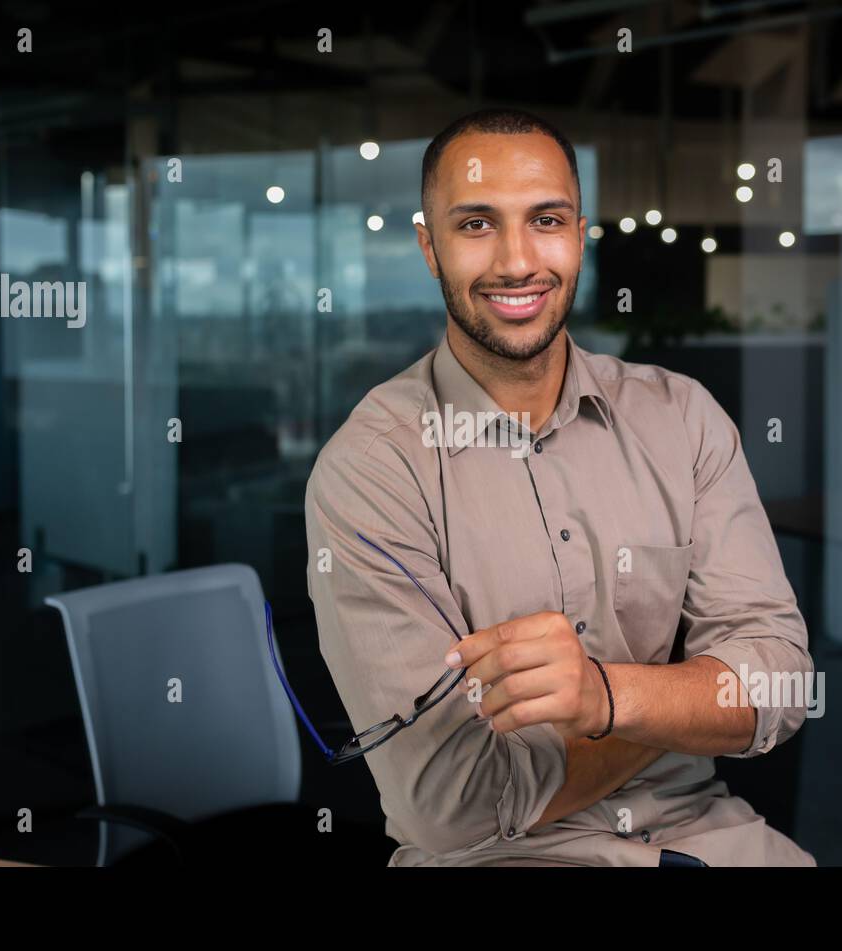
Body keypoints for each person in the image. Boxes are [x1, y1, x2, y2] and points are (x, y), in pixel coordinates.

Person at [304, 108, 816, 866]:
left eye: (546, 220)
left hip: (717, 844)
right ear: (429, 246)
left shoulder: (682, 420)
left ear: (579, 233)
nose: (517, 261)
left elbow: (783, 686)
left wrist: (605, 697)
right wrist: (685, 698)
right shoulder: (375, 470)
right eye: (477, 225)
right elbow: (452, 806)